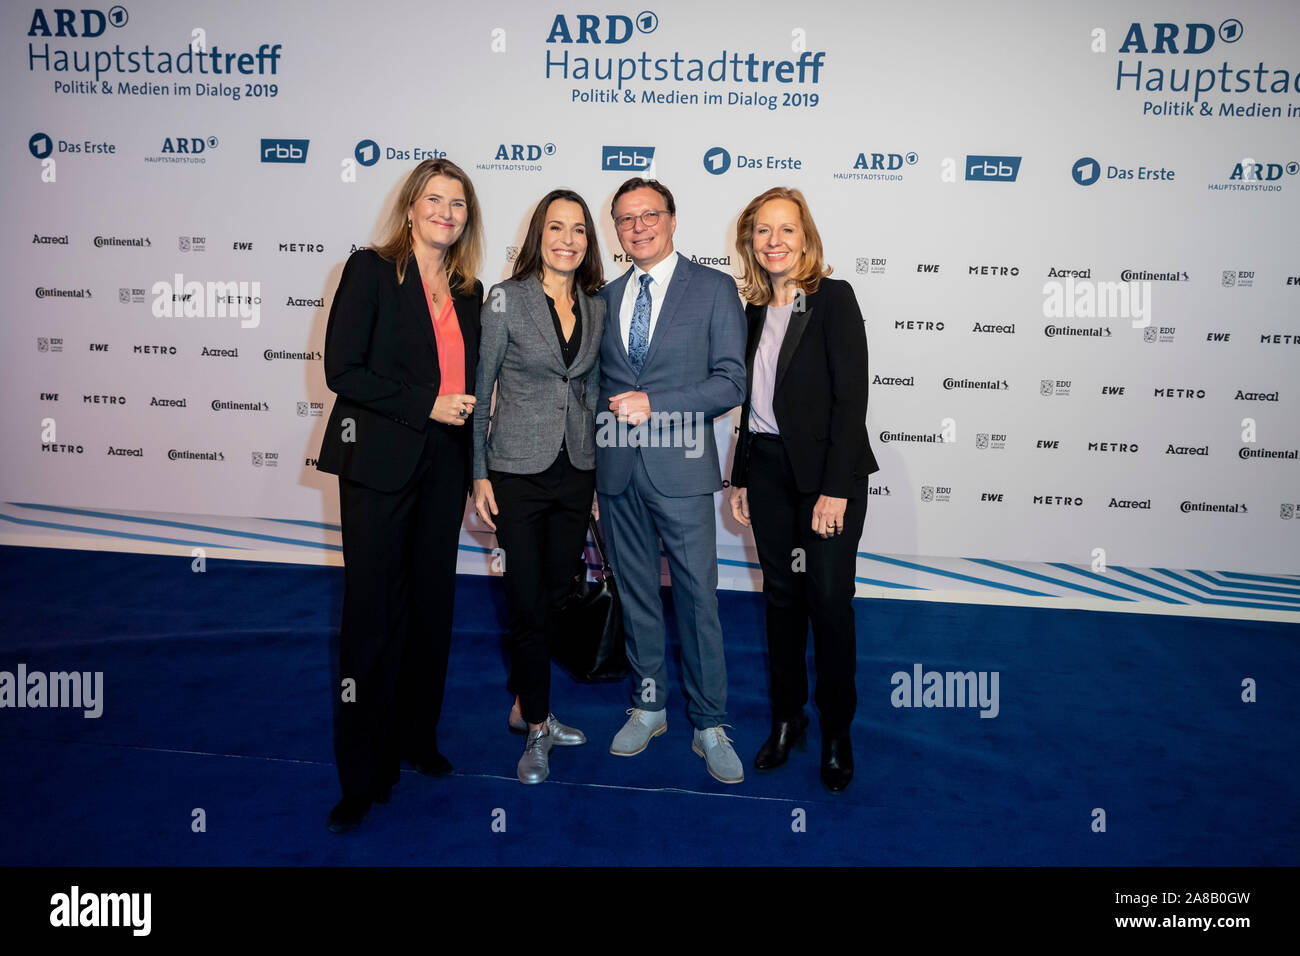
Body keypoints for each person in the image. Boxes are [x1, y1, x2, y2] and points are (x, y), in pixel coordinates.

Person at [316, 158, 484, 832]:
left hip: (444, 466)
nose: (446, 212)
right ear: (411, 206)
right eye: (435, 199)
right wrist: (428, 405)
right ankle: (362, 772)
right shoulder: (370, 270)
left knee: (431, 609)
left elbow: (474, 386)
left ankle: (417, 738)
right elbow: (342, 371)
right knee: (371, 614)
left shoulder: (471, 289)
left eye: (458, 204)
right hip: (379, 463)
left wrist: (478, 469)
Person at [596, 177, 748, 784]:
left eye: (649, 215)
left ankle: (709, 721)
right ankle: (650, 704)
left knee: (697, 600)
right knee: (636, 597)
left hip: (681, 467)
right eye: (626, 219)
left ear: (673, 220)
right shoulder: (602, 295)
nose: (639, 227)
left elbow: (730, 382)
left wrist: (656, 403)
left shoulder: (713, 289)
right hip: (616, 469)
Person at [728, 186, 878, 792]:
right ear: (750, 242)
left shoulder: (834, 300)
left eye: (786, 230)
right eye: (763, 231)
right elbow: (749, 403)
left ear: (807, 238)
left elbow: (852, 400)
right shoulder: (752, 311)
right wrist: (739, 474)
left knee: (829, 603)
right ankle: (789, 720)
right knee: (782, 603)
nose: (774, 242)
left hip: (825, 481)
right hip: (765, 470)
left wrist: (836, 489)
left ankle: (837, 730)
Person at [471, 189, 605, 784]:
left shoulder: (596, 305)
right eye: (557, 227)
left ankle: (529, 699)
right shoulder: (506, 299)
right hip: (517, 471)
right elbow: (482, 392)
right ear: (538, 235)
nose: (568, 239)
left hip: (575, 471)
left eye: (579, 230)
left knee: (554, 595)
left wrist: (597, 472)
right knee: (525, 599)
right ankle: (537, 725)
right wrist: (479, 472)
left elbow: (594, 391)